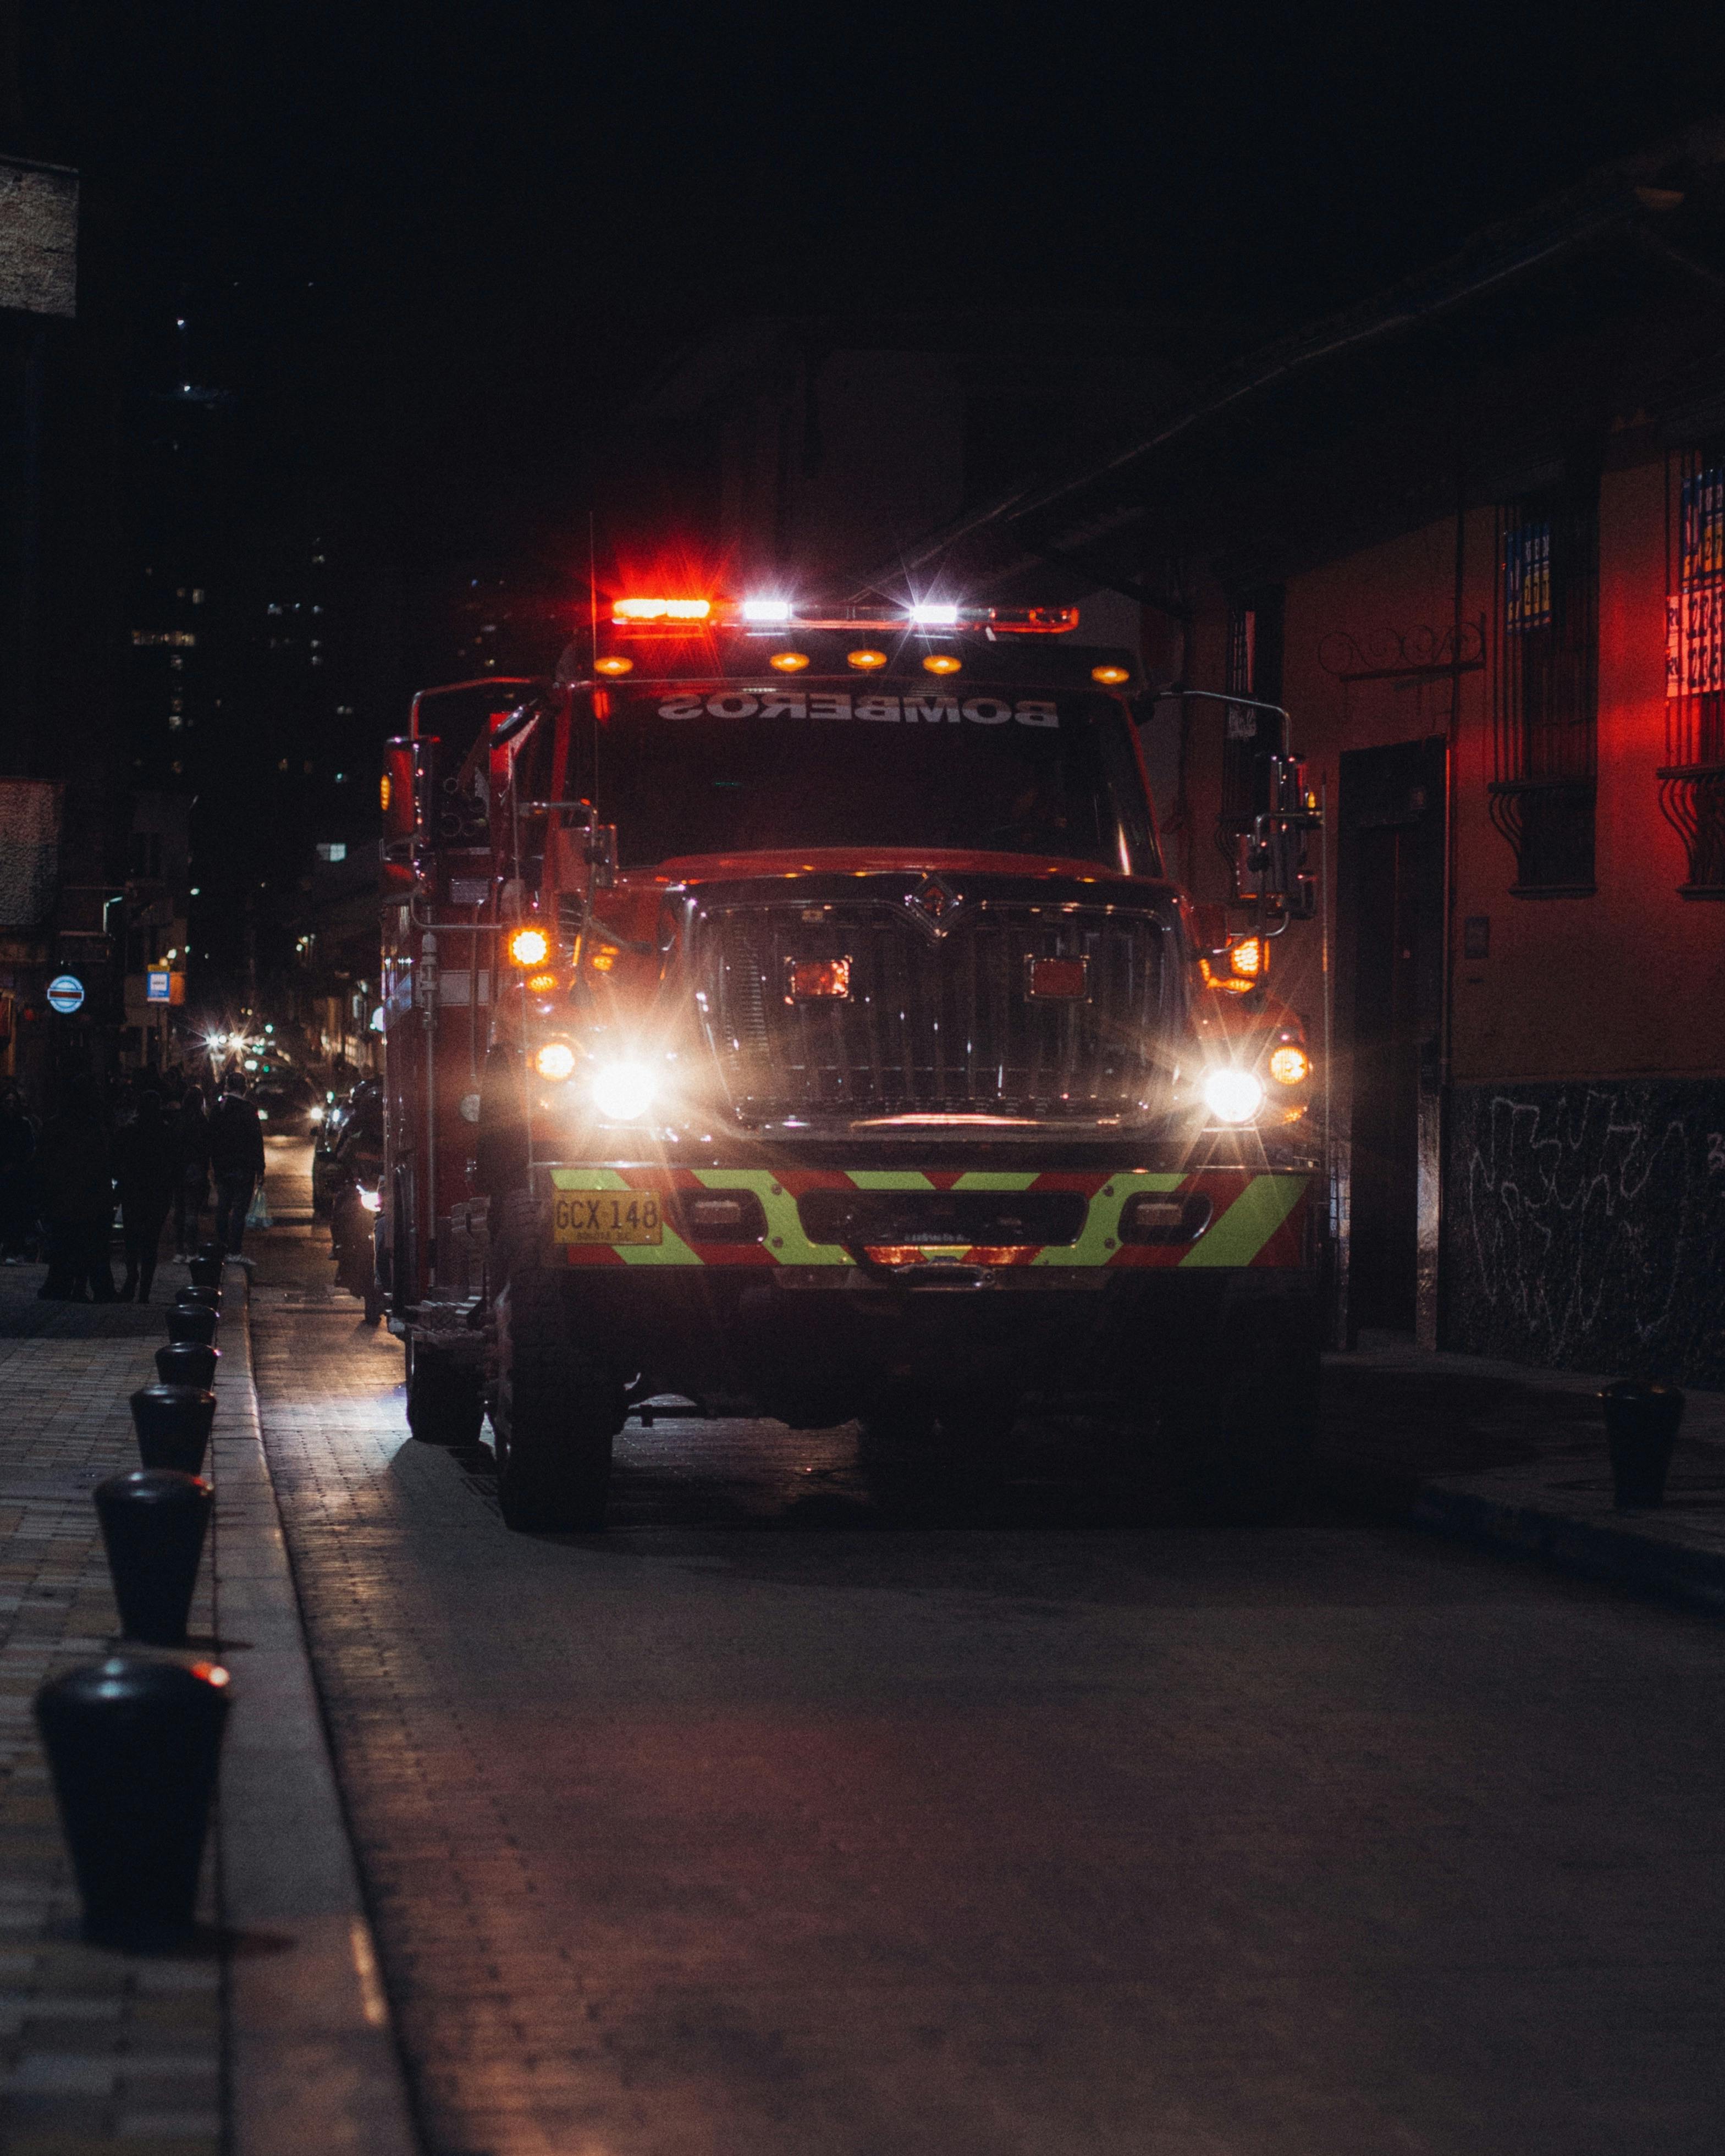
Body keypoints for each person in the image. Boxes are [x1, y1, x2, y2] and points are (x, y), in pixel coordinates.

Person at [35, 1080, 115, 1302]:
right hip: (83, 1193)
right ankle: (81, 1286)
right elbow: (102, 1162)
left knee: (65, 1242)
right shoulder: (92, 1127)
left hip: (65, 1193)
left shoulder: (56, 1126)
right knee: (86, 1242)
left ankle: (64, 1285)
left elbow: (42, 1162)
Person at [112, 1092, 176, 1302]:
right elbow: (174, 1164)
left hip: (133, 1191)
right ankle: (144, 1291)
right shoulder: (165, 1132)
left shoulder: (130, 1131)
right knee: (151, 1243)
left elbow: (116, 1160)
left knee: (132, 1241)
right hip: (157, 1193)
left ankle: (132, 1281)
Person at [208, 1076, 266, 1259]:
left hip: (224, 1166)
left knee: (223, 1207)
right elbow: (257, 1141)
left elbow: (212, 1138)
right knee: (239, 1211)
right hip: (245, 1167)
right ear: (245, 1089)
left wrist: (213, 1164)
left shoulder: (218, 1109)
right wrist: (260, 1168)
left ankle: (222, 1246)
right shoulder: (249, 1110)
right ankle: (235, 1250)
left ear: (227, 1087)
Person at [170, 1090, 211, 1256]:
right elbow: (206, 1148)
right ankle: (191, 1249)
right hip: (195, 1169)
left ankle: (179, 1250)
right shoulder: (202, 1122)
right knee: (192, 1212)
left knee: (179, 1211)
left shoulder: (178, 1120)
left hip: (178, 1169)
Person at [0, 1087, 36, 1262]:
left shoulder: (24, 1125)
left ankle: (13, 1248)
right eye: (8, 1102)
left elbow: (30, 1150)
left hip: (17, 1176)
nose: (11, 1106)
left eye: (14, 1102)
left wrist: (18, 1166)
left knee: (15, 1213)